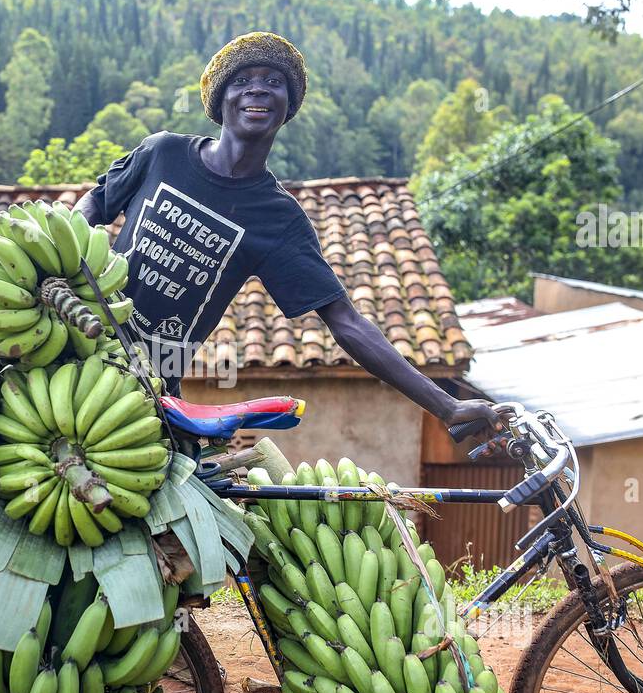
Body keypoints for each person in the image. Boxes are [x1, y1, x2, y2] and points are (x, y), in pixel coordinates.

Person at [76, 32, 498, 435]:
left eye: (274, 82)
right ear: (219, 100)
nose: (256, 90)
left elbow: (346, 322)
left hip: (146, 391)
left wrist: (447, 406)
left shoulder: (278, 219)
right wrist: (68, 250)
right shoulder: (162, 153)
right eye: (241, 81)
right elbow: (96, 203)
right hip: (76, 338)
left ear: (287, 106)